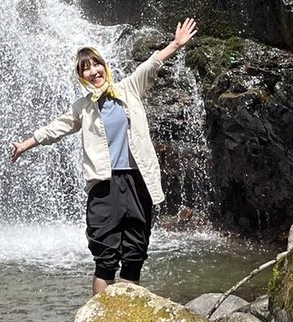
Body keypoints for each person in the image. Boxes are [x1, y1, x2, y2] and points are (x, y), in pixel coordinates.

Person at [10, 18, 198, 294]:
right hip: (103, 184)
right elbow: (56, 128)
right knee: (105, 255)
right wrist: (25, 145)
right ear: (80, 76)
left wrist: (176, 44)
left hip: (137, 180)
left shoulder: (129, 88)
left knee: (134, 252)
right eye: (85, 68)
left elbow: (151, 64)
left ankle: (127, 318)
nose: (93, 71)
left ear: (104, 66)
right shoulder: (82, 107)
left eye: (96, 64)